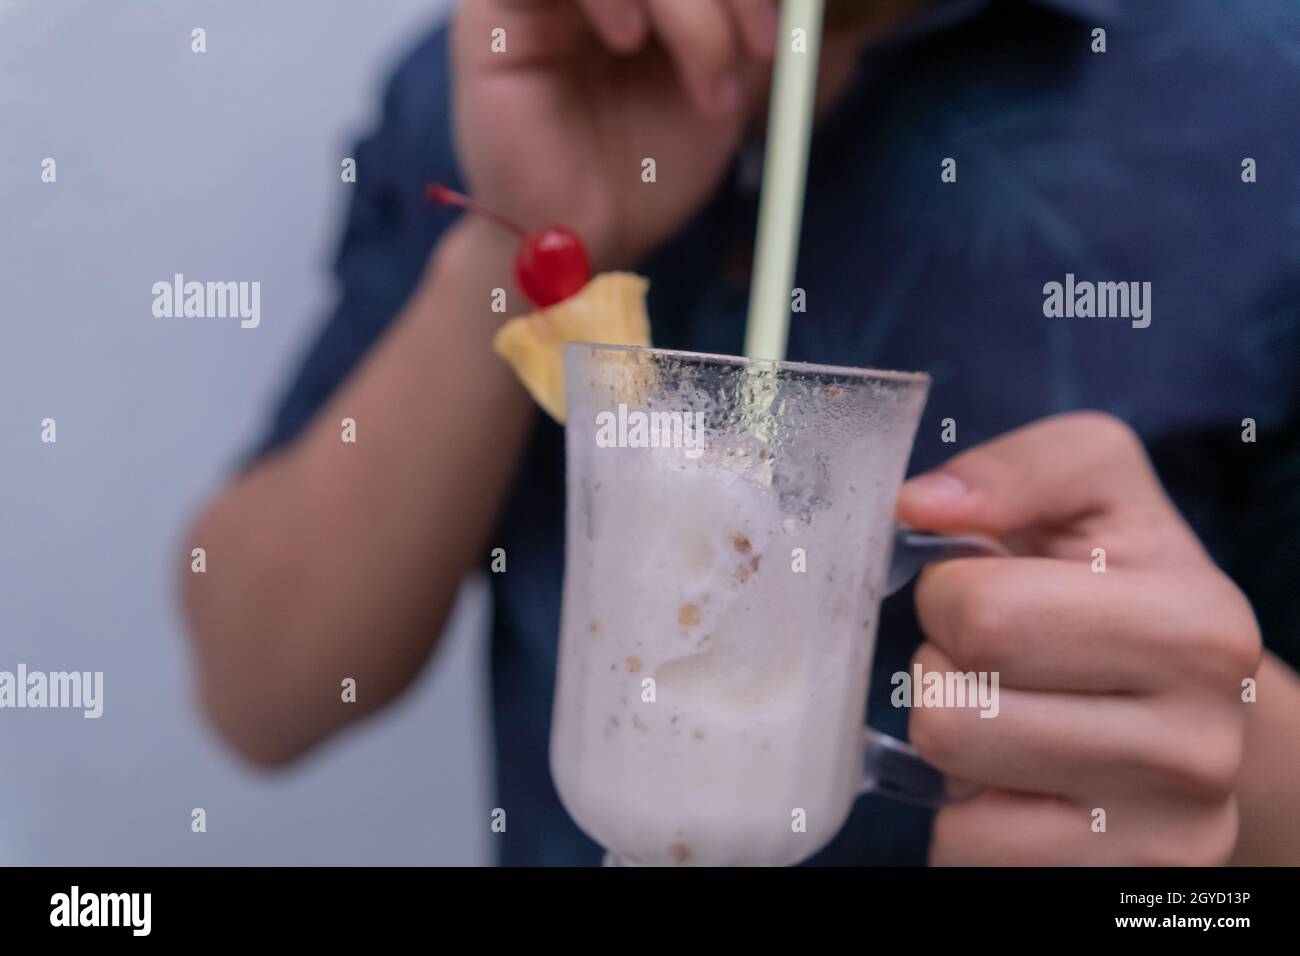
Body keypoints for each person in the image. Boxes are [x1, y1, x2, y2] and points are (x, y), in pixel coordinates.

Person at [181, 0, 1300, 865]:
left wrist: (1228, 771)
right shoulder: (510, 57)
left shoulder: (1262, 102)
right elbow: (262, 686)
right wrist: (528, 245)